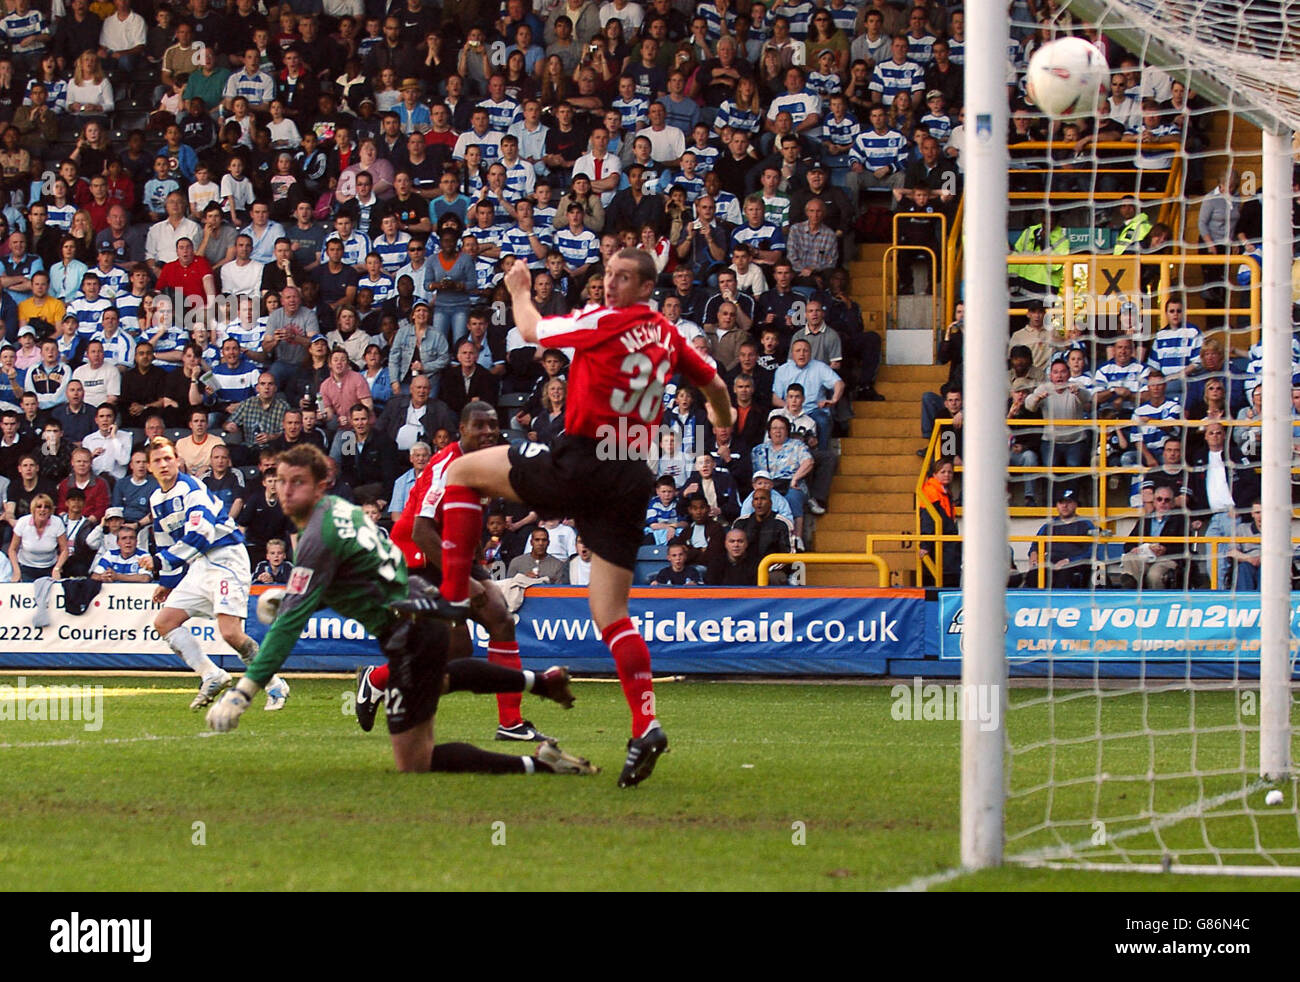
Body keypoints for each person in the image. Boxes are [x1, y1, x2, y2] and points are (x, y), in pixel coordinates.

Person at [430, 248, 732, 788]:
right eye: (606, 274)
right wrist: (723, 423)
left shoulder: (606, 321)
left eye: (622, 277)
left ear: (645, 288)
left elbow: (531, 329)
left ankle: (453, 602)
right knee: (611, 614)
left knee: (461, 473)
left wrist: (519, 287)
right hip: (630, 471)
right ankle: (647, 725)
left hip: (585, 460)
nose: (609, 284)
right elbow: (715, 388)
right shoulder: (668, 334)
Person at [205, 444, 595, 778]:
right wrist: (303, 596)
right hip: (418, 607)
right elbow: (352, 578)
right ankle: (539, 684)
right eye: (281, 481)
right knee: (437, 678)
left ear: (322, 484)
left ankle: (541, 763)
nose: (286, 491)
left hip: (407, 628)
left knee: (415, 760)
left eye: (297, 482)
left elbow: (288, 627)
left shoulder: (316, 538)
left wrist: (243, 692)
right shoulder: (338, 510)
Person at [136, 435, 291, 711]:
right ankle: (211, 674)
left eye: (168, 459)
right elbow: (167, 542)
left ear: (177, 461)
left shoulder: (191, 488)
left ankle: (274, 683)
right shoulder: (156, 499)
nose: (163, 465)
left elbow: (201, 533)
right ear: (148, 467)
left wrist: (161, 562)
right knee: (165, 622)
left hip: (227, 557)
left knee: (230, 633)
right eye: (157, 461)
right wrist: (169, 581)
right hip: (201, 563)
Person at [1022, 489, 1097, 589]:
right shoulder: (1050, 525)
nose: (1064, 506)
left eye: (1069, 502)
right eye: (1061, 502)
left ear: (1076, 504)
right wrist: (1034, 554)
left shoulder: (1086, 524)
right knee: (1034, 574)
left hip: (1075, 564)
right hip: (1051, 562)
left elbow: (1093, 550)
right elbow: (1036, 544)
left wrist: (1070, 560)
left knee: (1065, 573)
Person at [8, 491, 66, 580]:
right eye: (39, 506)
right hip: (26, 567)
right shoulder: (22, 522)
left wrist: (57, 568)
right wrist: (16, 571)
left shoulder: (57, 522)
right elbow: (12, 550)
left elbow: (64, 550)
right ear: (33, 509)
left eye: (46, 507)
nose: (42, 509)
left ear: (50, 510)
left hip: (49, 568)